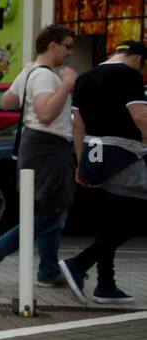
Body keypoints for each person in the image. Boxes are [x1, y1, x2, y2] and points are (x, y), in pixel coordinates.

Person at [0, 26, 77, 290]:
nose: (69, 52)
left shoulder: (31, 72)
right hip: (49, 147)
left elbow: (7, 102)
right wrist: (67, 84)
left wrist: (25, 77)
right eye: (67, 46)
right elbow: (45, 114)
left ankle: (48, 271)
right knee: (53, 214)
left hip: (36, 145)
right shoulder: (47, 77)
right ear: (53, 46)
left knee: (51, 209)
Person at [60, 40, 147, 304]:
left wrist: (80, 163)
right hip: (120, 153)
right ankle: (79, 263)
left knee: (109, 220)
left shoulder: (86, 77)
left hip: (93, 151)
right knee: (138, 217)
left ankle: (105, 285)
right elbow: (140, 116)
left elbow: (78, 125)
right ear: (136, 58)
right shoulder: (129, 75)